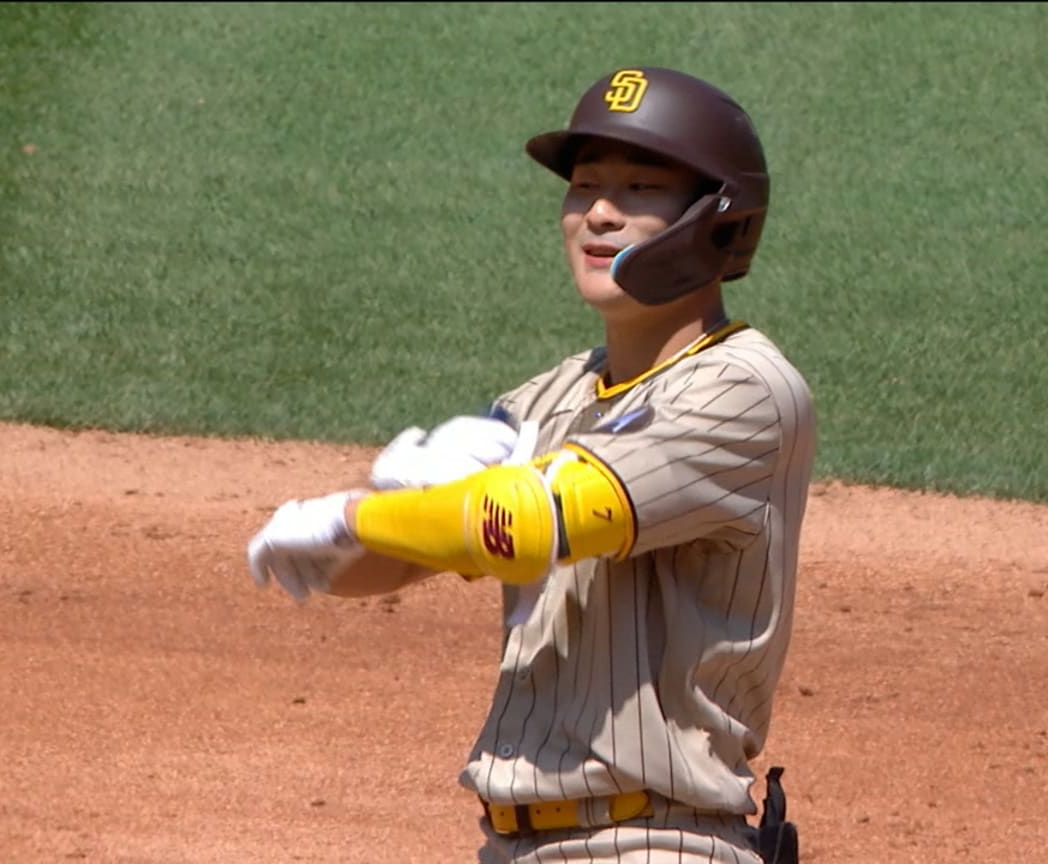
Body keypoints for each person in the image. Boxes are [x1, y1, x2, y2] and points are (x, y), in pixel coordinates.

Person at [246, 66, 815, 863]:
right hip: (513, 846)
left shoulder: (745, 391)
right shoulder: (548, 395)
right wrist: (364, 522)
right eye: (583, 188)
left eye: (639, 188)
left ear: (717, 222)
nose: (598, 213)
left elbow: (517, 525)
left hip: (656, 844)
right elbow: (392, 563)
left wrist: (351, 516)